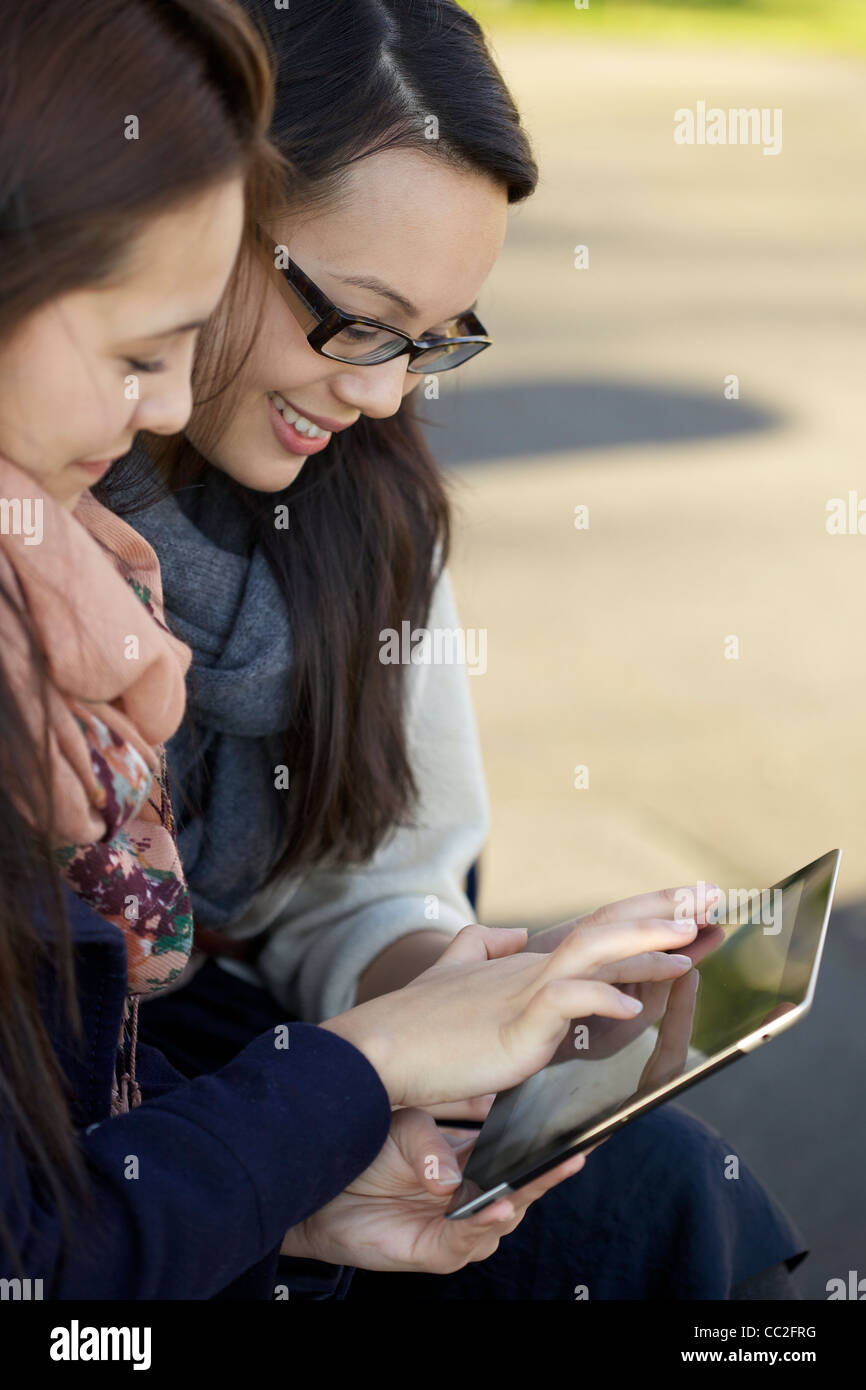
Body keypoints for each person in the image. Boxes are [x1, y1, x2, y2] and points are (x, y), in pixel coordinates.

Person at [0, 0, 721, 1298]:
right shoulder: (37, 535)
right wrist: (377, 1061)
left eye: (435, 338)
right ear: (209, 207)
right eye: (360, 320)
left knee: (645, 1187)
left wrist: (485, 992)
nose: (386, 392)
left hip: (224, 1054)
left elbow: (362, 880)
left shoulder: (367, 489)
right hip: (151, 1082)